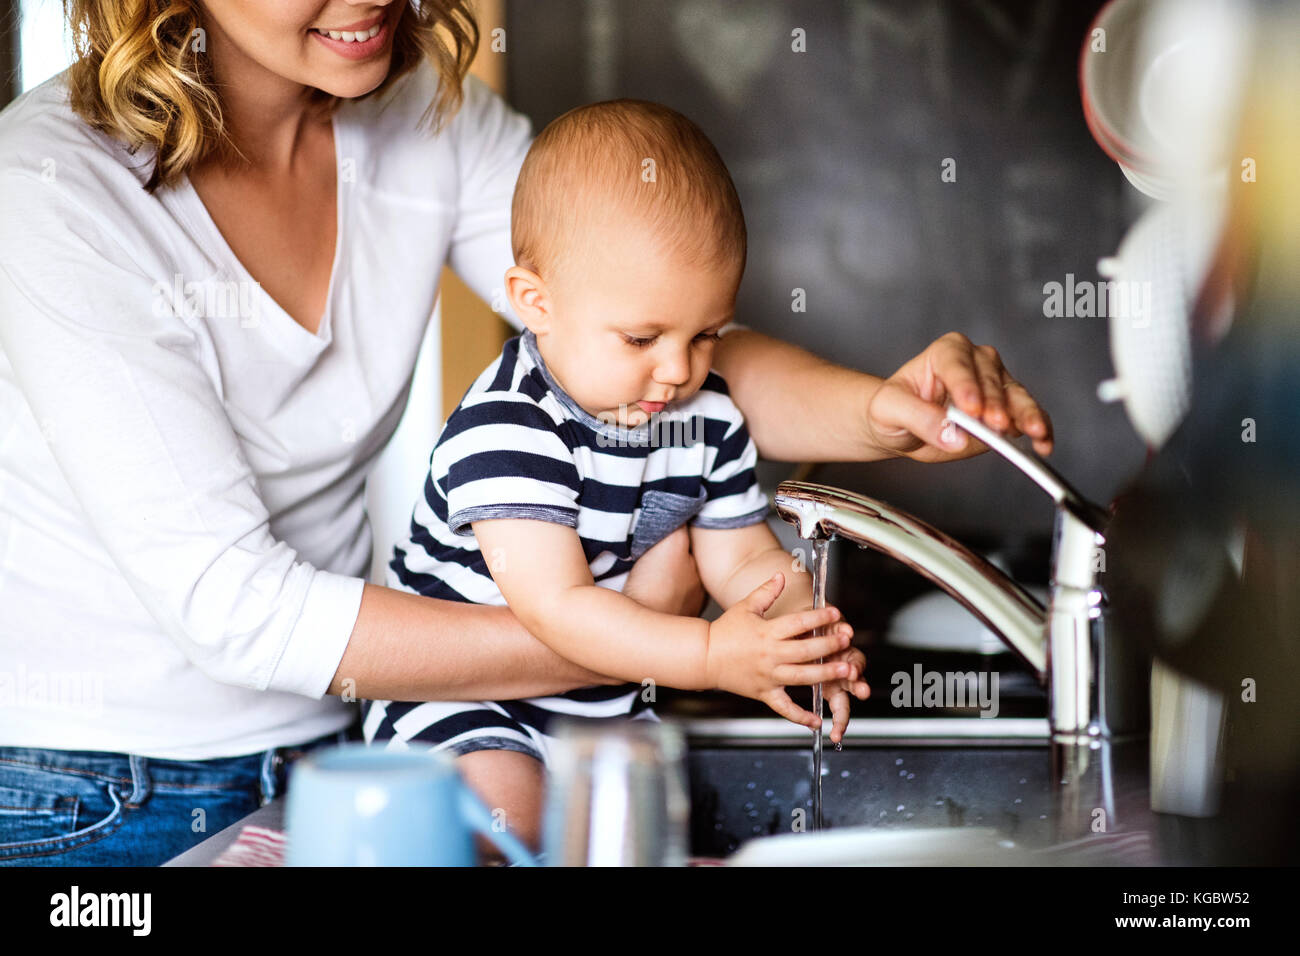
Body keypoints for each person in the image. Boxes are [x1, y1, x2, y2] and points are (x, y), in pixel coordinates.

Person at [0, 0, 1052, 866]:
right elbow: (238, 610)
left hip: (344, 751)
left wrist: (884, 411)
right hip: (104, 789)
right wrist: (657, 637)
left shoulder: (417, 114)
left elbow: (657, 343)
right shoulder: (53, 191)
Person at [363, 100, 871, 849]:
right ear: (536, 303)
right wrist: (706, 655)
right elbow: (558, 607)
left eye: (705, 334)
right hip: (465, 703)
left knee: (636, 827)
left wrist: (798, 635)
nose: (677, 368)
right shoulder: (509, 428)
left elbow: (742, 555)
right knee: (517, 810)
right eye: (642, 337)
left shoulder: (706, 410)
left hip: (606, 703)